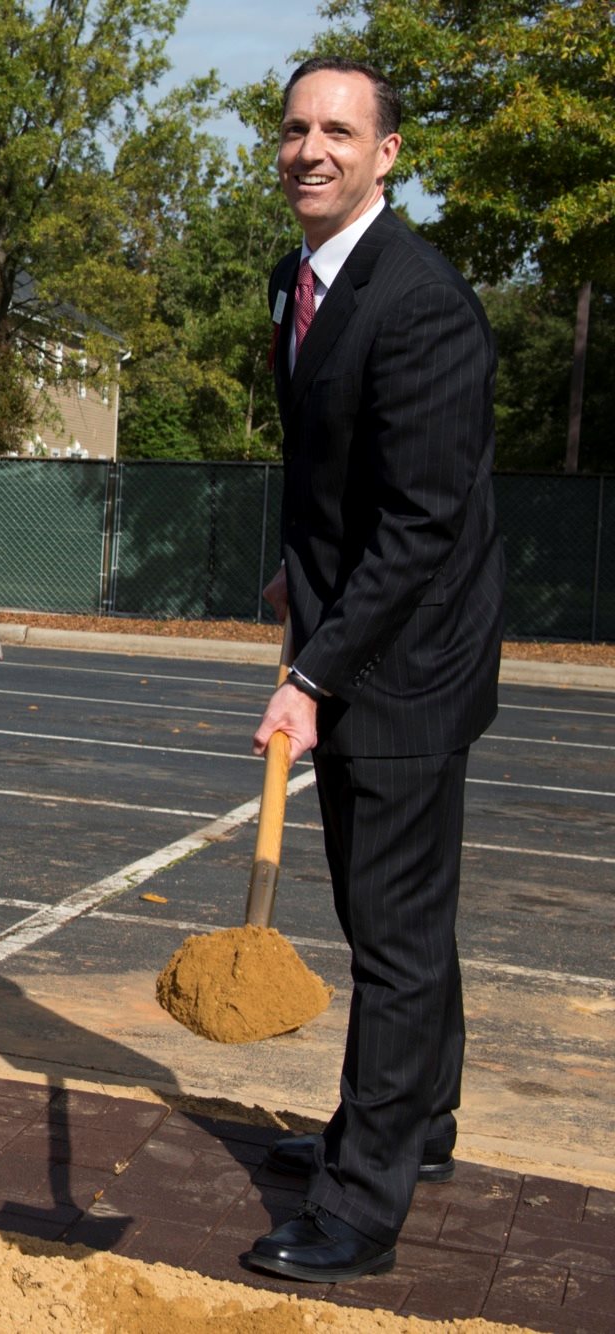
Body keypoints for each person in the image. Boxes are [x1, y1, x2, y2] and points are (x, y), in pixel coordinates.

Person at [243, 57, 504, 1283]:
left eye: (338, 132)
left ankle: (359, 1203)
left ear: (386, 152)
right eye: (295, 128)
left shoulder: (421, 303)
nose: (311, 149)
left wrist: (311, 674)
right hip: (354, 618)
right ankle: (420, 1120)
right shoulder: (297, 277)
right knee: (399, 912)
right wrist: (296, 572)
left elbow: (421, 520)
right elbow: (332, 472)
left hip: (405, 660)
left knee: (388, 931)